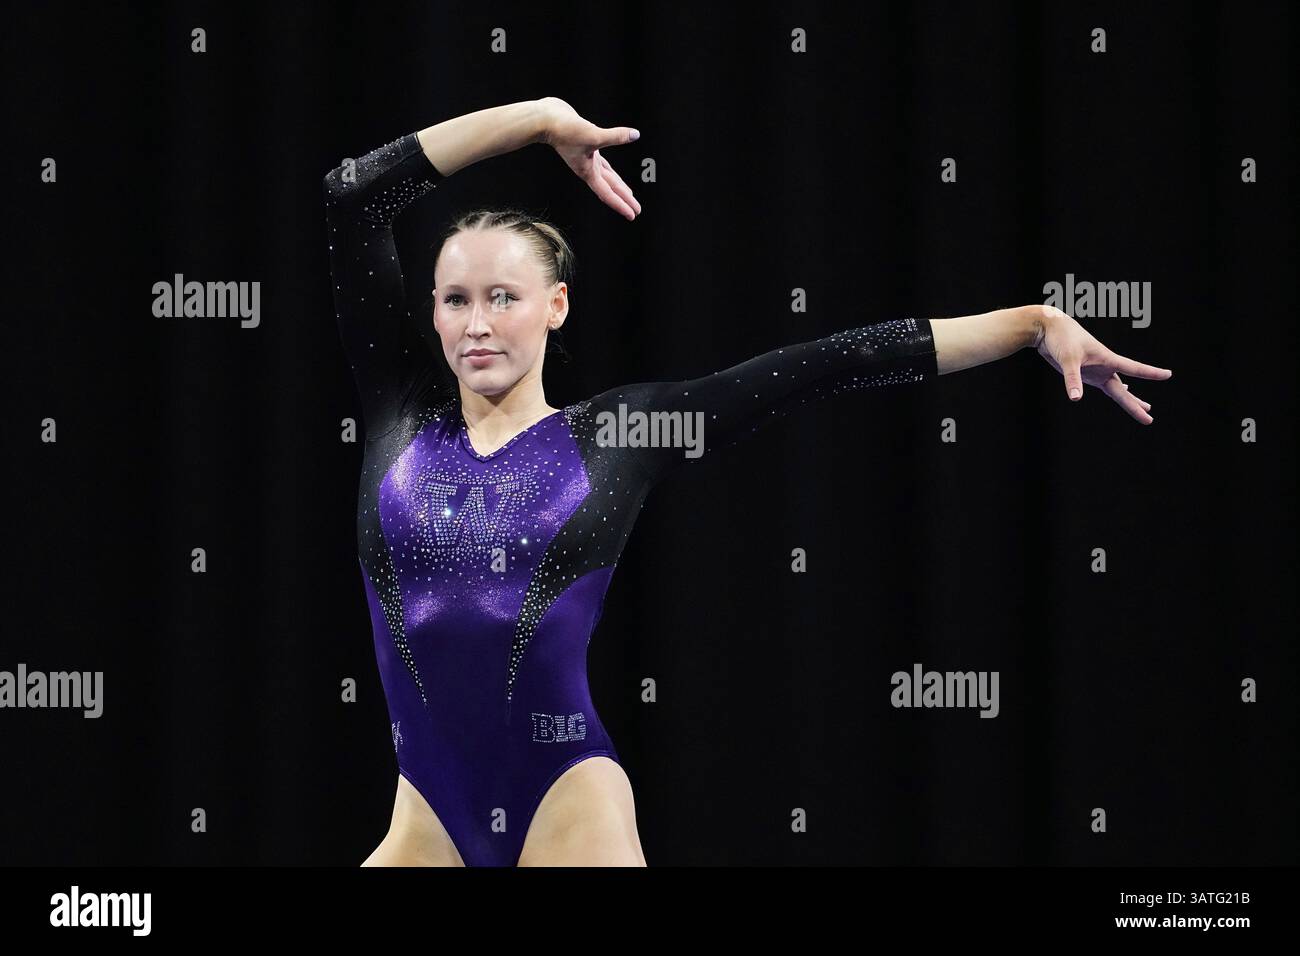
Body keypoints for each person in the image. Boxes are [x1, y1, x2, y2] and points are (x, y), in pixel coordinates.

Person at [321, 97, 1172, 866]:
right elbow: (353, 194)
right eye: (454, 300)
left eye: (503, 296)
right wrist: (540, 118)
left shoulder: (617, 435)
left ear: (558, 306)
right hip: (425, 820)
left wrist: (1029, 325)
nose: (475, 324)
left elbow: (824, 365)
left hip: (563, 804)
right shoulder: (401, 418)